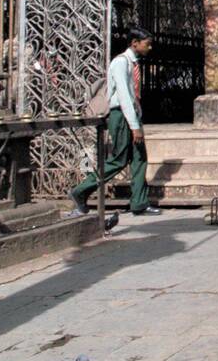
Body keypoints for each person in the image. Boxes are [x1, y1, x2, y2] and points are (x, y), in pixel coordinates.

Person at [69, 27, 162, 218]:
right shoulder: (120, 63)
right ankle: (81, 190)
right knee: (119, 160)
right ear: (134, 43)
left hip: (131, 114)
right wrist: (134, 126)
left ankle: (139, 203)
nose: (149, 48)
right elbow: (124, 95)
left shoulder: (132, 63)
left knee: (139, 159)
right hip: (121, 116)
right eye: (147, 44)